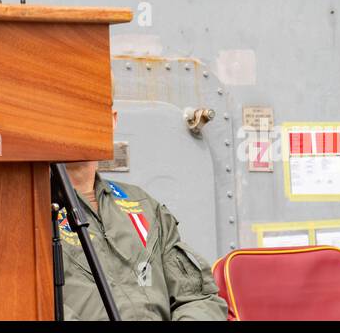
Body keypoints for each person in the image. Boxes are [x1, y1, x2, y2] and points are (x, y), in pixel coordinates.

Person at [60, 107, 228, 320]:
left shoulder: (144, 207)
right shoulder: (27, 219)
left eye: (89, 107)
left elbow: (197, 299)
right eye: (69, 108)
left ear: (111, 120)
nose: (78, 120)